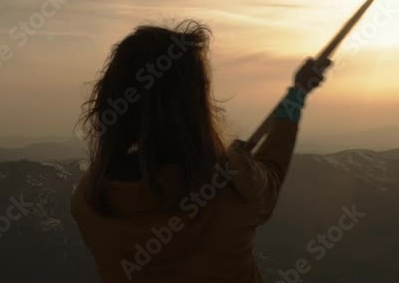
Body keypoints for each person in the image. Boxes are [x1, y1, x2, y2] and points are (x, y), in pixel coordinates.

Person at [71, 20, 329, 282]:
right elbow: (271, 176)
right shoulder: (231, 191)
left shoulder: (90, 202)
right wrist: (296, 98)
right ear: (195, 104)